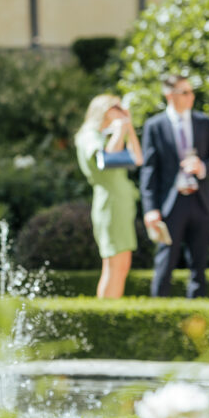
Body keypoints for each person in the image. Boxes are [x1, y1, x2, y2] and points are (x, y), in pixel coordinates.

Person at [140, 75, 209, 297]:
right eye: (184, 92)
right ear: (169, 95)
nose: (190, 97)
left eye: (191, 92)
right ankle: (157, 317)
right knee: (165, 264)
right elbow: (148, 170)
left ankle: (198, 319)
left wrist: (202, 167)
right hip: (170, 203)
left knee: (199, 264)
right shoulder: (154, 126)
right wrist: (150, 209)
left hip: (199, 200)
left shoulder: (202, 122)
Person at [75, 95, 143, 298]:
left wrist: (128, 128)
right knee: (113, 264)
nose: (121, 110)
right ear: (103, 110)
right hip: (109, 205)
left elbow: (138, 158)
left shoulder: (106, 135)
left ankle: (112, 312)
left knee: (122, 265)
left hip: (120, 204)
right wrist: (121, 128)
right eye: (117, 107)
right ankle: (106, 314)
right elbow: (107, 160)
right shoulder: (89, 134)